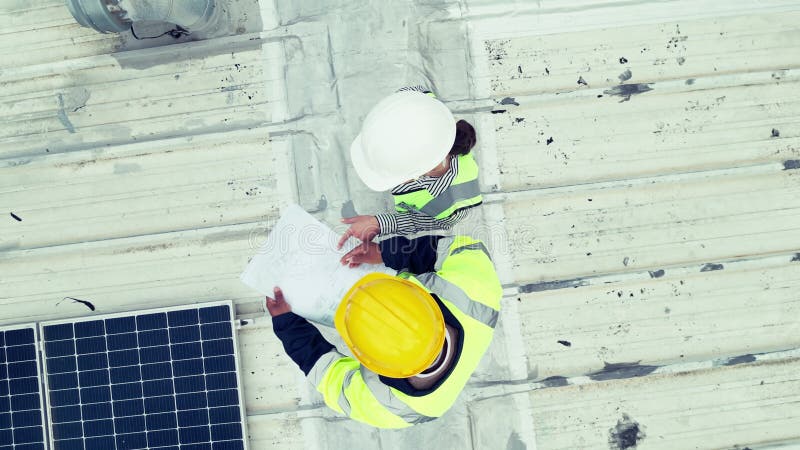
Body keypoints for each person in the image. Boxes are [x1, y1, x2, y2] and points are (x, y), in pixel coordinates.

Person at [266, 234, 501, 428]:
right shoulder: (478, 296)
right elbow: (463, 249)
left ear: (371, 359)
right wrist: (387, 252)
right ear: (418, 296)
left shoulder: (390, 407)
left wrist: (287, 324)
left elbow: (326, 372)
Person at [337, 88, 483, 249]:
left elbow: (417, 221)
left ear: (418, 175)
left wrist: (379, 223)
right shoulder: (423, 104)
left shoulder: (451, 208)